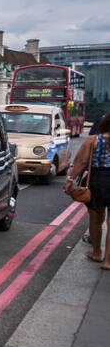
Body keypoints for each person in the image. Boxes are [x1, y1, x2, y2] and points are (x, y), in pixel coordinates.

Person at [67, 112, 110, 271]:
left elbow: (81, 162)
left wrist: (70, 181)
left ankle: (97, 252)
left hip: (98, 181)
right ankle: (108, 261)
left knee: (96, 218)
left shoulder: (94, 140)